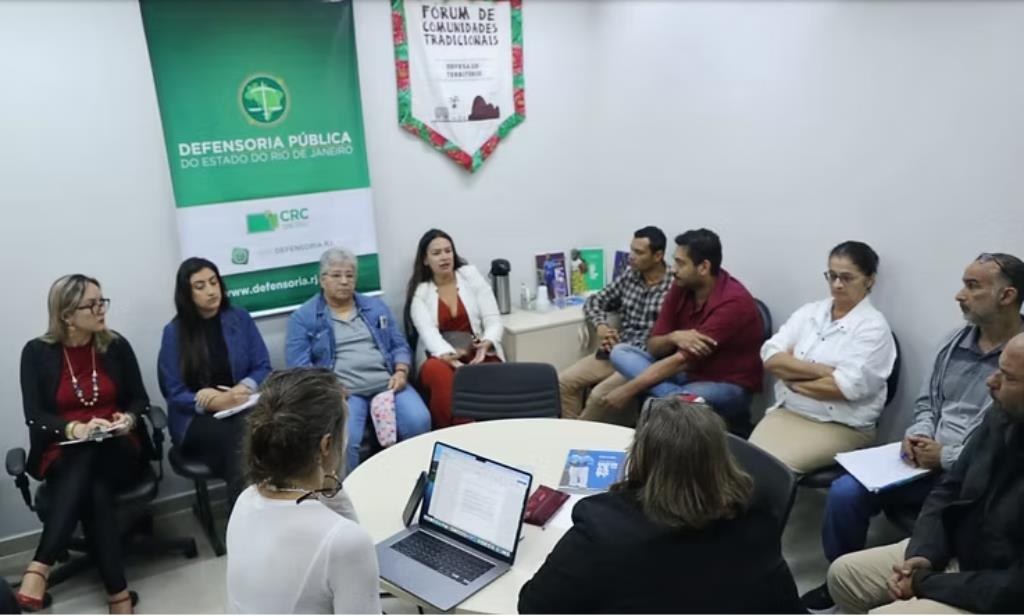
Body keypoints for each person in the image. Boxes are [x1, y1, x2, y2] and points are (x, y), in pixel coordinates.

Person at [805, 252, 1024, 612]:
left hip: (957, 465)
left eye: (972, 286)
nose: (959, 295)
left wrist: (946, 456)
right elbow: (926, 403)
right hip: (927, 458)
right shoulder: (953, 343)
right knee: (845, 492)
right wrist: (918, 434)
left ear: (1007, 296)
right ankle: (843, 585)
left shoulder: (1018, 364)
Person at [517, 398, 802, 614]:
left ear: (641, 458)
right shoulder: (757, 512)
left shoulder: (602, 528)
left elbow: (534, 606)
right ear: (721, 457)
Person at [827, 332, 1024, 614]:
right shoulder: (1002, 416)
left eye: (1008, 377)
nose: (990, 382)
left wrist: (925, 584)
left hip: (997, 587)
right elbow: (949, 489)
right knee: (844, 575)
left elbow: (1013, 589)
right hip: (960, 552)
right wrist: (924, 553)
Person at [17, 275, 151, 614]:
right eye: (91, 304)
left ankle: (39, 567)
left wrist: (128, 420)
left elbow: (140, 400)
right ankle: (118, 595)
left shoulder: (115, 345)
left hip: (119, 448)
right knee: (93, 485)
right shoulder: (36, 353)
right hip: (63, 450)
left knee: (93, 456)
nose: (100, 309)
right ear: (66, 315)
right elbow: (34, 414)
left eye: (102, 301)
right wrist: (75, 428)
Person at [225, 368, 380, 614]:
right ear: (326, 444)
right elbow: (349, 539)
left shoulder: (246, 500)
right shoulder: (345, 542)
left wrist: (328, 478)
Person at [750, 241, 897, 474]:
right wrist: (824, 371)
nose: (837, 285)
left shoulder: (873, 328)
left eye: (847, 278)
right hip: (789, 411)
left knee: (770, 470)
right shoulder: (811, 312)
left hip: (840, 425)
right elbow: (770, 356)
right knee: (743, 462)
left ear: (869, 280)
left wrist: (792, 378)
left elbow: (846, 387)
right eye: (832, 276)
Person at [601, 228, 763, 434]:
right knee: (620, 352)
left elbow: (681, 360)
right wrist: (674, 336)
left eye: (681, 263)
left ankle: (677, 400)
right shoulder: (681, 285)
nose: (674, 269)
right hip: (685, 375)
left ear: (703, 267)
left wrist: (628, 390)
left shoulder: (733, 302)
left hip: (727, 384)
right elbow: (654, 347)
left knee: (674, 399)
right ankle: (679, 400)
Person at [287, 248, 429, 473]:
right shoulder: (304, 317)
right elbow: (298, 365)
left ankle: (413, 478)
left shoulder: (375, 307)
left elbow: (399, 345)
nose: (344, 281)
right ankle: (349, 497)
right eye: (336, 275)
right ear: (322, 280)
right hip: (344, 393)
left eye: (350, 275)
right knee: (344, 441)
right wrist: (328, 388)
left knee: (419, 420)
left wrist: (401, 371)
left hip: (389, 385)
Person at [157, 257, 271, 508]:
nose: (211, 291)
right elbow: (173, 391)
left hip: (242, 405)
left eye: (213, 282)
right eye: (200, 286)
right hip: (196, 419)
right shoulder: (174, 332)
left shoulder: (239, 318)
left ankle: (270, 509)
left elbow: (262, 365)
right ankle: (244, 519)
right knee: (239, 439)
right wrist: (212, 402)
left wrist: (244, 387)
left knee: (266, 430)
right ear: (187, 293)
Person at [558, 226, 673, 425]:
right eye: (631, 250)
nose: (631, 257)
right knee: (564, 382)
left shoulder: (675, 285)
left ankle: (577, 441)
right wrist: (601, 327)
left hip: (645, 361)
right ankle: (572, 435)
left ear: (658, 255)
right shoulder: (631, 275)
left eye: (639, 252)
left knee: (598, 397)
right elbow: (595, 301)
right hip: (616, 350)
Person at [404, 229, 504, 428]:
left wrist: (486, 343)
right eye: (436, 253)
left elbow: (493, 320)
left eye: (448, 251)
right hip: (436, 355)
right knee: (439, 373)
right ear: (425, 260)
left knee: (496, 374)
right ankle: (457, 432)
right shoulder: (420, 292)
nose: (444, 257)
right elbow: (428, 334)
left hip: (476, 349)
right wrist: (452, 359)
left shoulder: (470, 276)